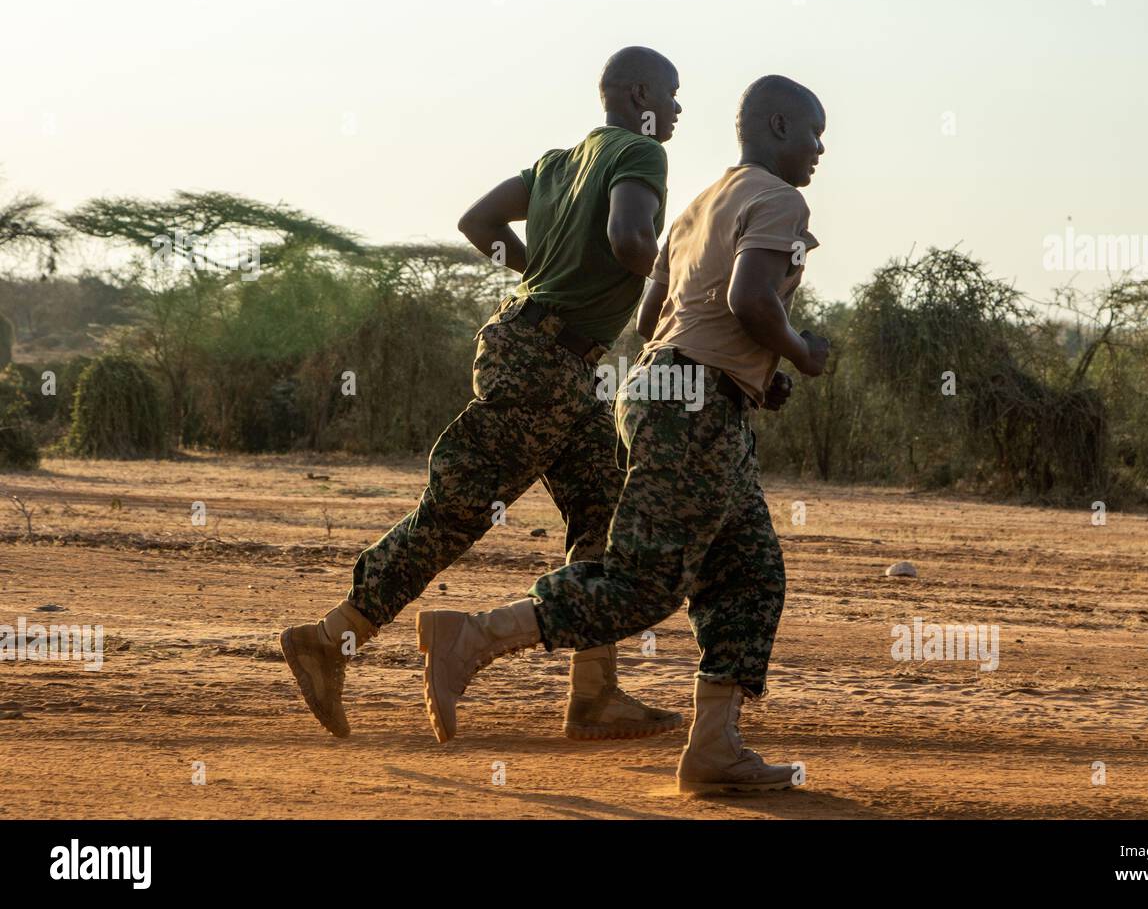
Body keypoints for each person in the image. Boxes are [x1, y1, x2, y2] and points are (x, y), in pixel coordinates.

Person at [417, 75, 830, 793]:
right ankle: (472, 637)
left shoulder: (701, 204)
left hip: (671, 391)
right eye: (815, 132)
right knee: (643, 583)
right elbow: (750, 299)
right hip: (693, 405)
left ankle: (714, 750)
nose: (822, 150)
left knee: (750, 573)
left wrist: (758, 373)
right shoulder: (779, 199)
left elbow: (652, 322)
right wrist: (799, 350)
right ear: (778, 125)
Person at [280, 47, 684, 741]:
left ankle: (595, 694)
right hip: (544, 362)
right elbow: (627, 237)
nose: (678, 109)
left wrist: (542, 276)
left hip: (542, 354)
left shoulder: (557, 164)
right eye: (673, 95)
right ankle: (329, 638)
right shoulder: (641, 154)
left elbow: (478, 224)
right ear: (640, 92)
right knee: (456, 512)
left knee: (608, 515)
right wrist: (680, 285)